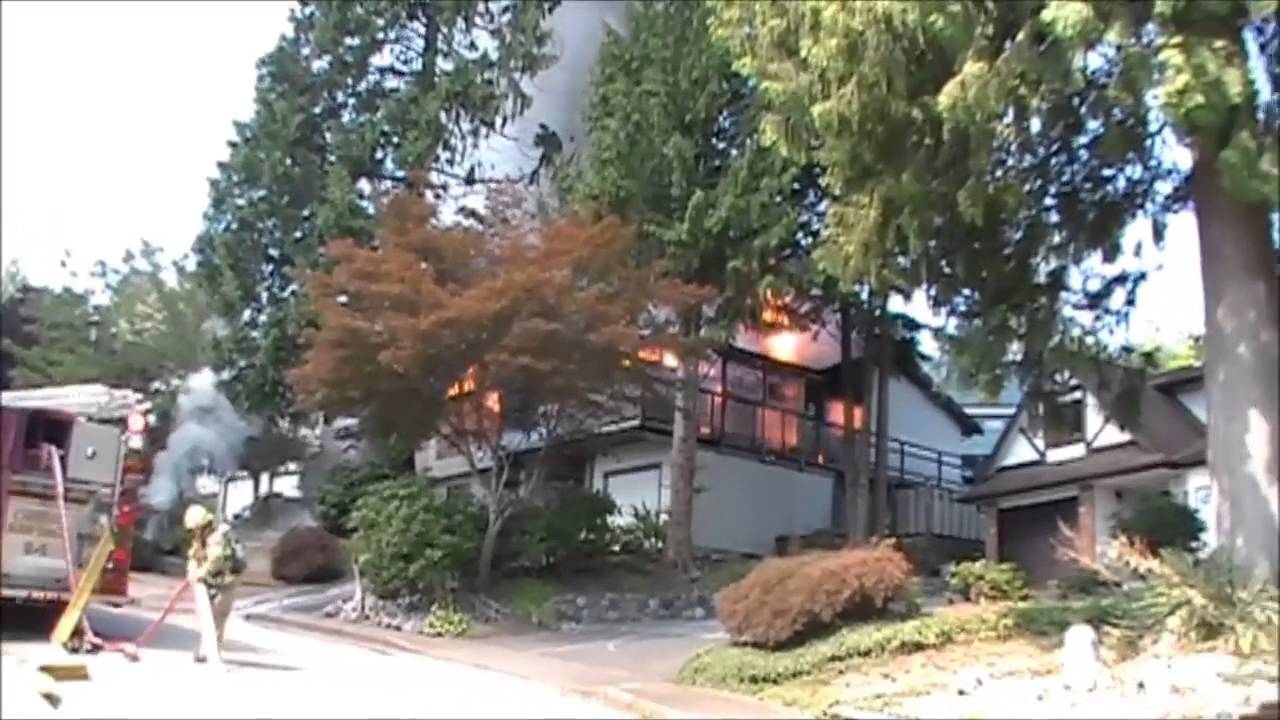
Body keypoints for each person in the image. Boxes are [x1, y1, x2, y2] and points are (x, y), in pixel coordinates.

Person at [184, 503, 246, 666]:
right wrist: (191, 570)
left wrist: (199, 573)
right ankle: (207, 649)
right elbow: (194, 555)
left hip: (226, 583)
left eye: (194, 529)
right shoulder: (201, 538)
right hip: (211, 581)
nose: (193, 533)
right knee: (208, 617)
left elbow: (215, 560)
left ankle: (212, 650)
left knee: (219, 616)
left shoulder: (216, 538)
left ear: (202, 526)